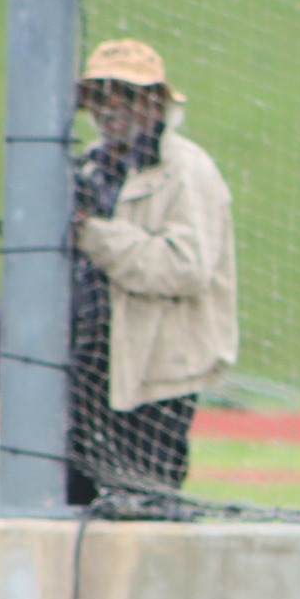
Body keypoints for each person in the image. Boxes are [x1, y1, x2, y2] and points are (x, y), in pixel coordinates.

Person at [68, 39, 238, 513]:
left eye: (127, 93)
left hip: (157, 376)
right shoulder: (88, 167)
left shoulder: (187, 171)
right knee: (74, 509)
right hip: (87, 369)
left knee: (146, 512)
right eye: (100, 93)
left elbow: (185, 268)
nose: (111, 106)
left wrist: (93, 235)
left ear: (156, 103)